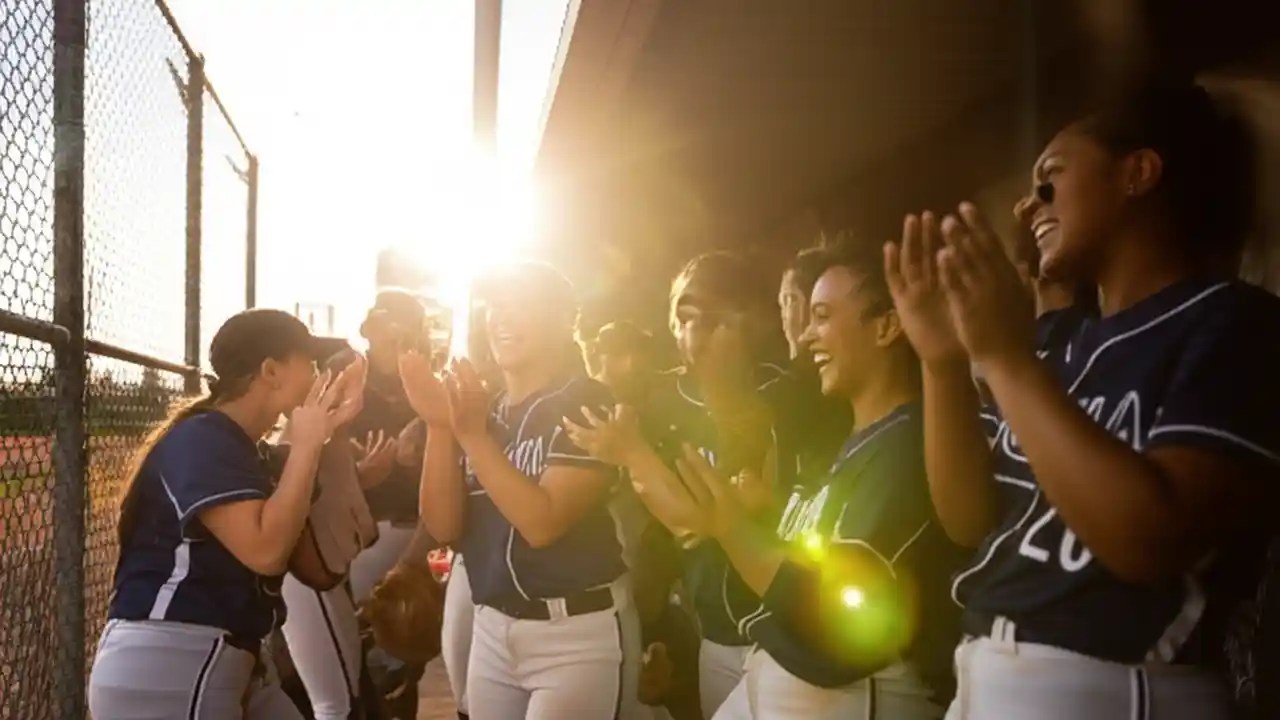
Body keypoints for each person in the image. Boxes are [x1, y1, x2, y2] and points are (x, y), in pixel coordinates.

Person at [885, 83, 1277, 719]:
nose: (1029, 202)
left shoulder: (1233, 321)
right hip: (985, 667)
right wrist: (943, 361)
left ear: (1138, 174)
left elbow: (1149, 541)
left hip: (1114, 686)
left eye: (1051, 178)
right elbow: (967, 519)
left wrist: (1004, 358)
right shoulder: (1058, 340)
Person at [573, 239, 964, 719]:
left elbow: (836, 606)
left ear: (886, 325)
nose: (804, 336)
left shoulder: (892, 437)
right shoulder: (856, 437)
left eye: (820, 316)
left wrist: (728, 522)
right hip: (772, 658)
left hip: (845, 684)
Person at [88, 309, 363, 719]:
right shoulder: (203, 440)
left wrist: (333, 433)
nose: (318, 376)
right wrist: (307, 446)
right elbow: (266, 551)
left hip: (221, 659)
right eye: (310, 364)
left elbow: (328, 566)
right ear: (271, 371)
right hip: (169, 663)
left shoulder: (251, 452)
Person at [402, 261, 643, 720]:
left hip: (574, 635)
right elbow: (445, 525)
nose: (502, 317)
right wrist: (439, 424)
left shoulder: (586, 401)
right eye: (497, 305)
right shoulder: (486, 410)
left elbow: (543, 523)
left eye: (521, 305)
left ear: (563, 320)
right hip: (494, 628)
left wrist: (471, 435)